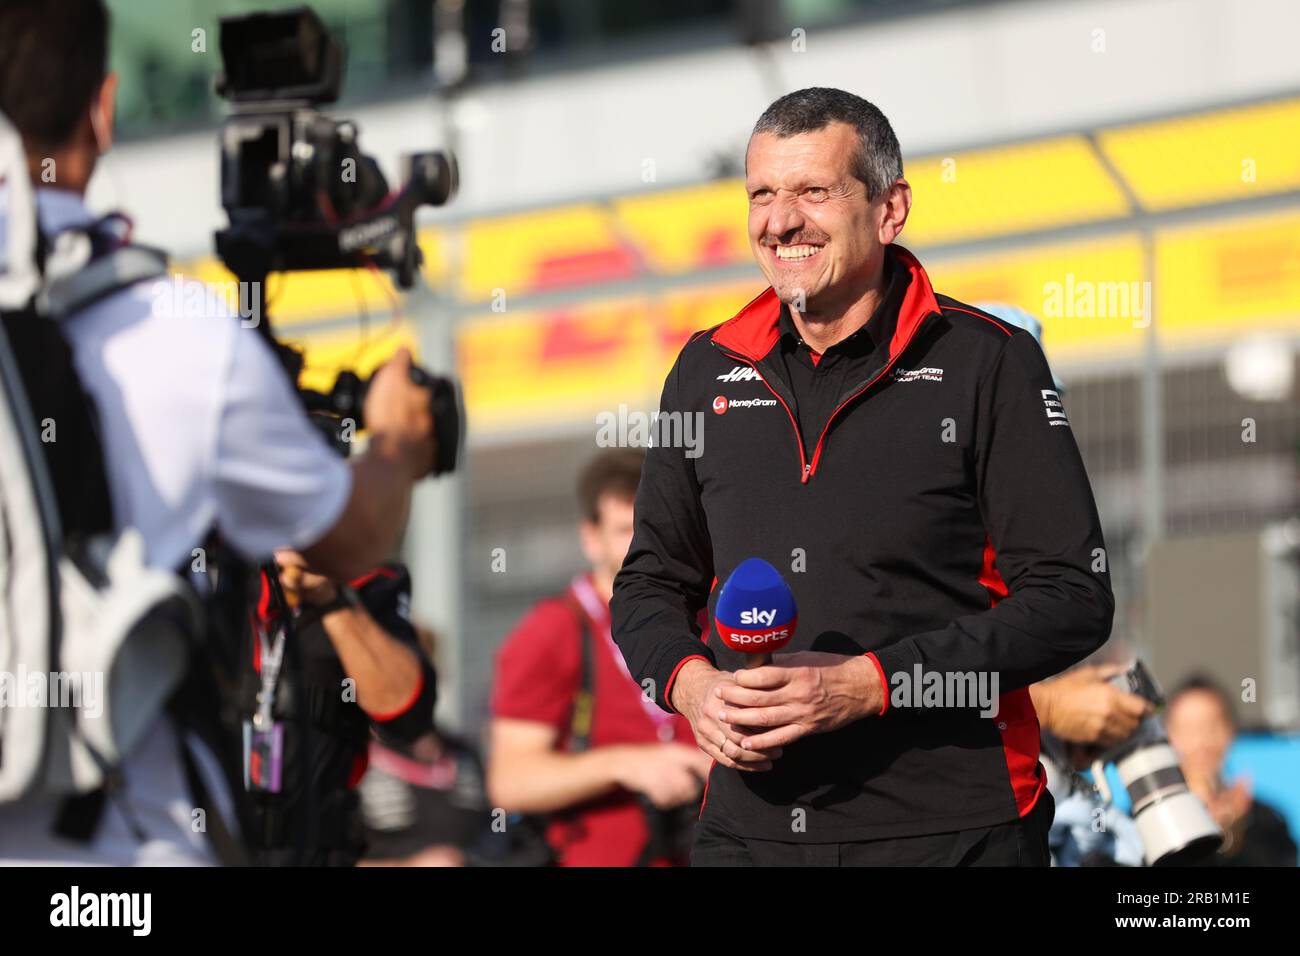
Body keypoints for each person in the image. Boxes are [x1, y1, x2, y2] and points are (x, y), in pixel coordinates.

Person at [612, 87, 1114, 865]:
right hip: (750, 834)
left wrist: (870, 685)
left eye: (813, 191)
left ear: (889, 210)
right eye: (763, 194)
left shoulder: (989, 362)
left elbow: (1073, 598)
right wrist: (690, 687)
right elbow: (649, 584)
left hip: (957, 832)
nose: (780, 221)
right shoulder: (705, 369)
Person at [0, 0, 438, 864]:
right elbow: (351, 533)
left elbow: (400, 696)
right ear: (104, 109)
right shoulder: (178, 331)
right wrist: (397, 442)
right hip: (125, 850)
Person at [488, 449, 711, 866]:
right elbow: (510, 780)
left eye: (654, 526)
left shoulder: (709, 616)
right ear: (591, 538)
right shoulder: (554, 629)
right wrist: (626, 766)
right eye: (627, 529)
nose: (645, 543)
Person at [233, 553, 438, 865]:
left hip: (320, 852)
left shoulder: (370, 581)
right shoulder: (215, 567)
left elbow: (407, 715)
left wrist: (333, 600)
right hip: (205, 846)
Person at [1166, 675, 1297, 867]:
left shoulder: (1266, 820)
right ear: (1168, 736)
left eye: (1212, 727)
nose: (1201, 742)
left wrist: (1235, 835)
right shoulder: (1154, 819)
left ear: (1230, 731)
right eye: (1189, 729)